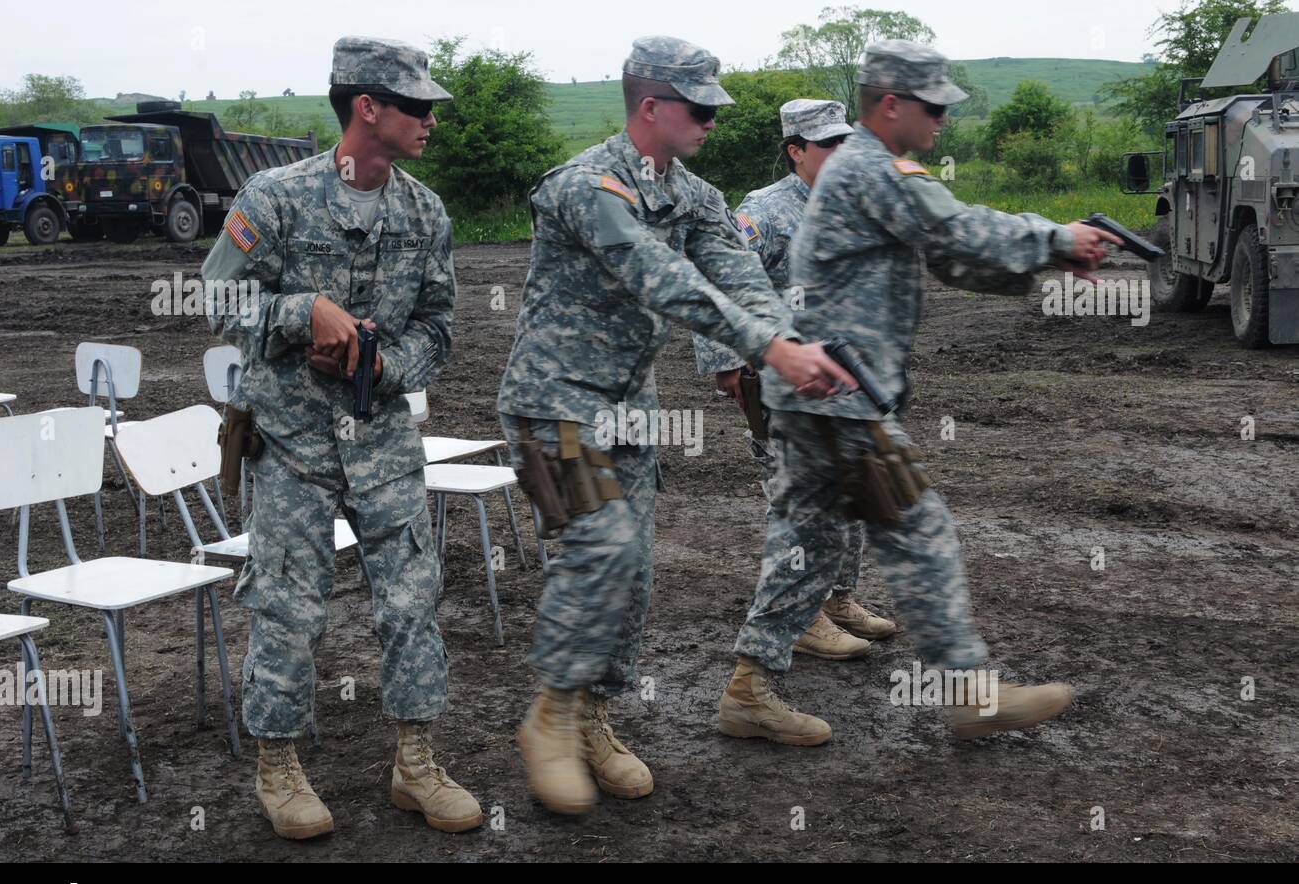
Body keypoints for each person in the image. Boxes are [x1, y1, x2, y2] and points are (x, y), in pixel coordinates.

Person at [717, 39, 1120, 746]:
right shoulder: (872, 169)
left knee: (803, 541)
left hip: (815, 394)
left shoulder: (865, 173)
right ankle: (968, 691)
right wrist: (1055, 237)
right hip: (839, 395)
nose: (941, 118)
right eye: (932, 106)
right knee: (919, 528)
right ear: (892, 105)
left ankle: (748, 689)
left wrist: (1047, 255)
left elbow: (951, 257)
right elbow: (957, 227)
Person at [496, 36, 856, 815]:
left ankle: (592, 719)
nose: (714, 121)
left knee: (634, 575)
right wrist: (769, 347)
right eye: (700, 108)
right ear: (651, 106)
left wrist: (780, 338)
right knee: (599, 547)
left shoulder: (691, 194)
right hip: (554, 403)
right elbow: (660, 278)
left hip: (629, 408)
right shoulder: (587, 185)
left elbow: (738, 272)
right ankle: (551, 719)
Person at [201, 35, 481, 838]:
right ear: (367, 107)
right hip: (292, 440)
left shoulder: (425, 212)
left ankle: (416, 763)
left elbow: (438, 328)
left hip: (383, 438)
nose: (430, 119)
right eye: (416, 105)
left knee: (411, 597)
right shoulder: (276, 196)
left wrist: (385, 362)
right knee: (289, 604)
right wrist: (302, 311)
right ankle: (279, 767)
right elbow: (215, 299)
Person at [692, 98, 897, 662]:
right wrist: (726, 365)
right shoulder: (765, 211)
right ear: (796, 151)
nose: (841, 152)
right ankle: (800, 617)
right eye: (828, 144)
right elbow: (716, 283)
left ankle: (836, 599)